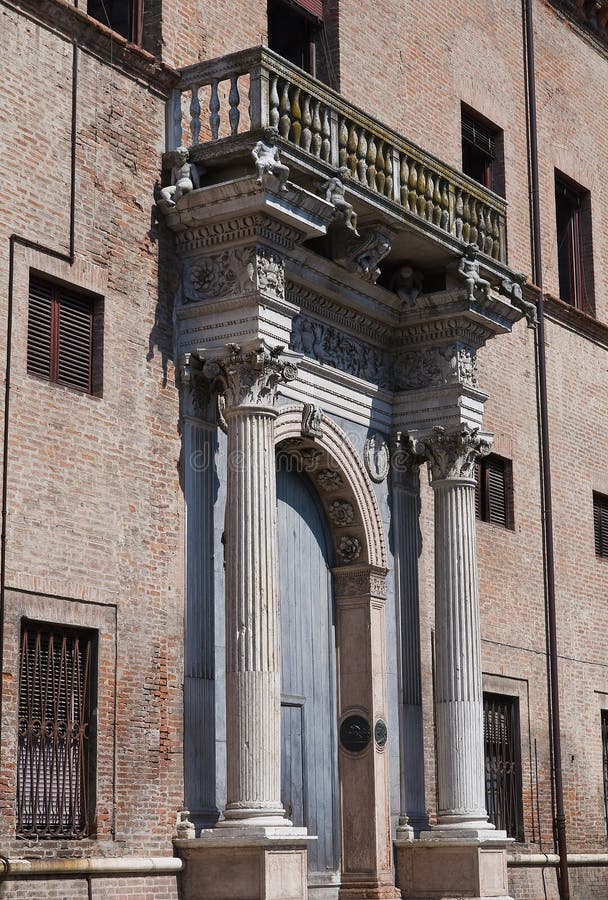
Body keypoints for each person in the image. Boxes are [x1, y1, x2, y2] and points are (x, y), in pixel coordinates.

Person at [251, 127, 290, 191]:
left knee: (286, 169)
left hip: (273, 163)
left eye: (276, 137)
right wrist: (257, 159)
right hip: (264, 160)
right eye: (273, 136)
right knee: (259, 163)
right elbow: (254, 152)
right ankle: (259, 178)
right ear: (267, 136)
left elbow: (277, 159)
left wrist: (279, 165)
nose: (275, 138)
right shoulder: (261, 143)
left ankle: (282, 185)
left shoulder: (275, 148)